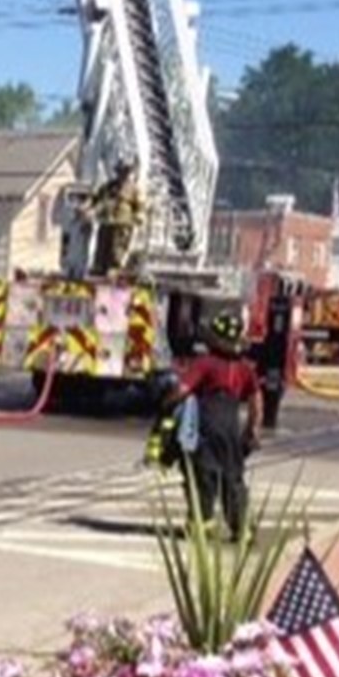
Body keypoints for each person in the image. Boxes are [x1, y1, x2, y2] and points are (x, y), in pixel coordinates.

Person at [163, 311, 263, 542]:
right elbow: (256, 401)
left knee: (202, 476)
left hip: (206, 429)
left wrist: (165, 405)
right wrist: (252, 430)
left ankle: (201, 524)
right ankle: (242, 527)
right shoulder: (245, 369)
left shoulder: (205, 364)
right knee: (232, 477)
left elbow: (182, 391)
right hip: (231, 430)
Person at [86, 160, 145, 276]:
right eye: (121, 171)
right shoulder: (108, 187)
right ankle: (98, 267)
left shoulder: (133, 189)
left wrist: (139, 217)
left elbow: (140, 206)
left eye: (126, 172)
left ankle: (114, 269)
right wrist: (89, 209)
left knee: (117, 248)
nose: (123, 174)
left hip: (122, 224)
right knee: (102, 246)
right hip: (106, 222)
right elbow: (96, 200)